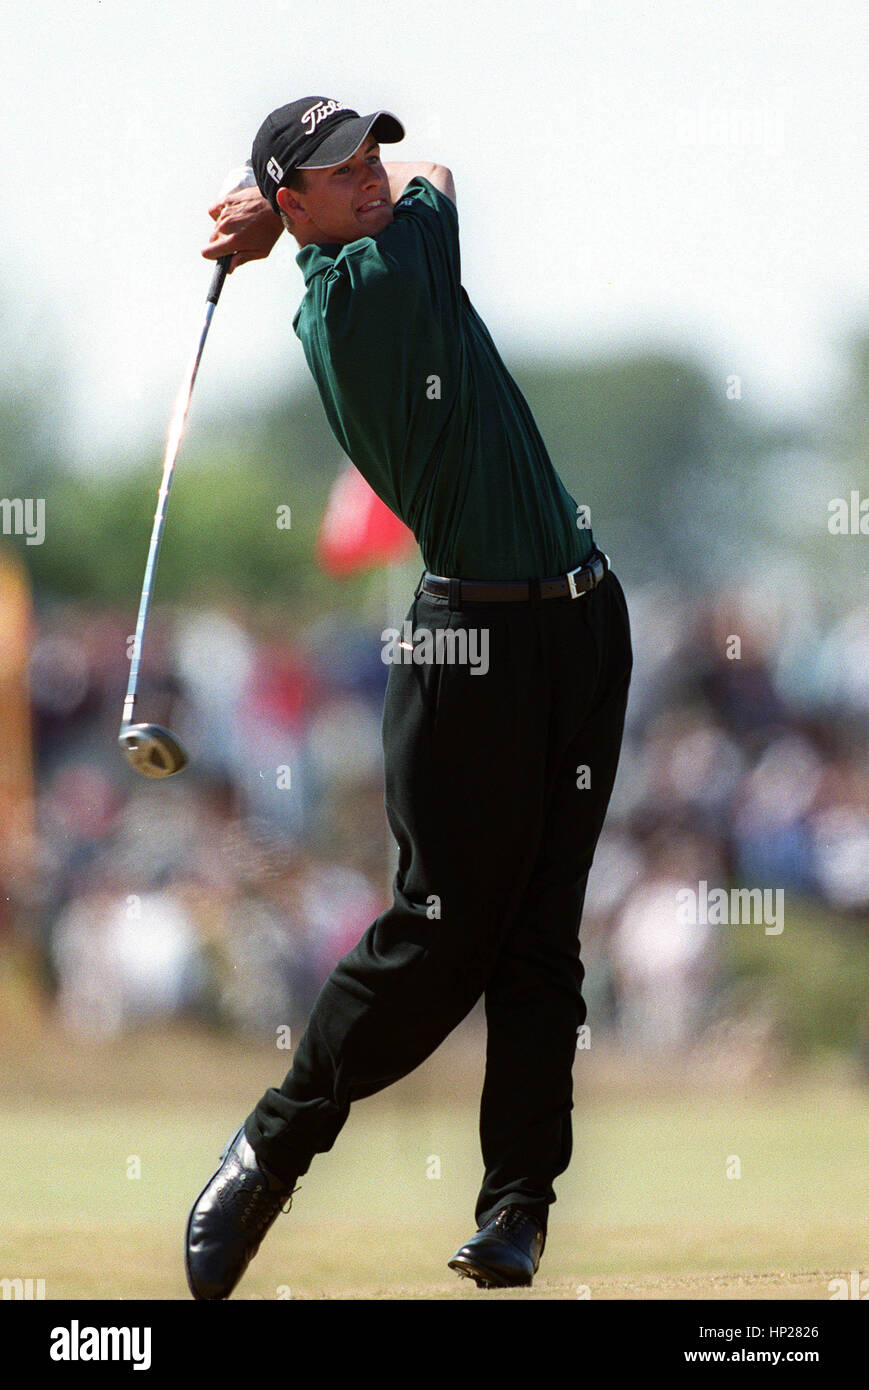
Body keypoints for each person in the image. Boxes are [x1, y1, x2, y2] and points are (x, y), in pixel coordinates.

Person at [185, 95, 633, 1299]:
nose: (371, 173)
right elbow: (441, 171)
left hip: (584, 623)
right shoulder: (372, 284)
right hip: (470, 645)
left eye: (368, 150)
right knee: (440, 939)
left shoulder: (361, 242)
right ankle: (273, 1146)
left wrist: (275, 225)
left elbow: (412, 168)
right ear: (296, 207)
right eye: (336, 169)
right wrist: (285, 232)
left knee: (540, 940)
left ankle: (515, 1210)